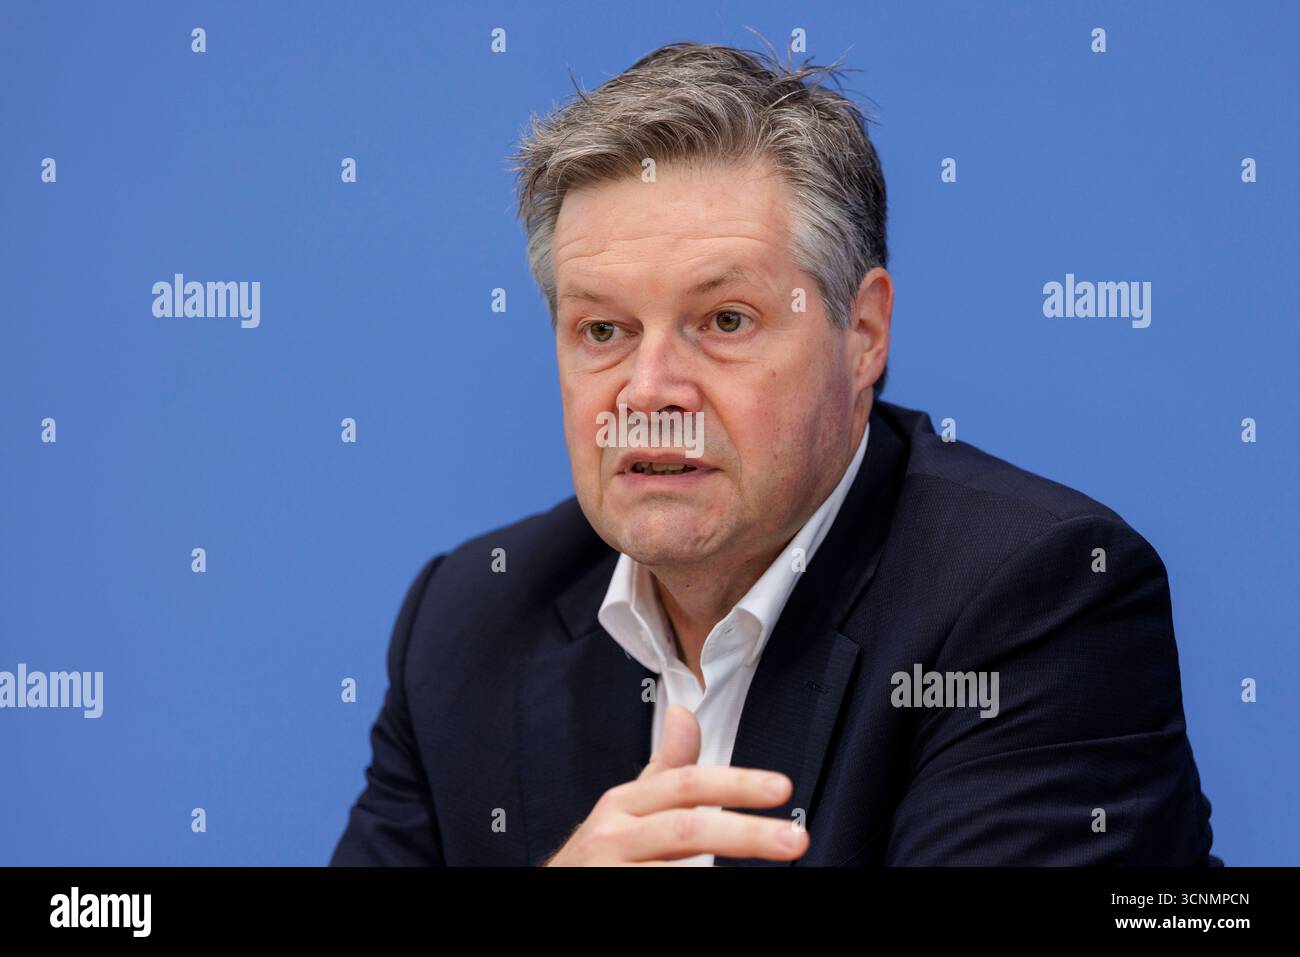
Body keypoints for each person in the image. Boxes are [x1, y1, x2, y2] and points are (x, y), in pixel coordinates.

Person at [330, 41, 1217, 866]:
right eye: (602, 329)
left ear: (862, 333)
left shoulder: (1034, 599)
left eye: (724, 321)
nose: (649, 392)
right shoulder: (469, 621)